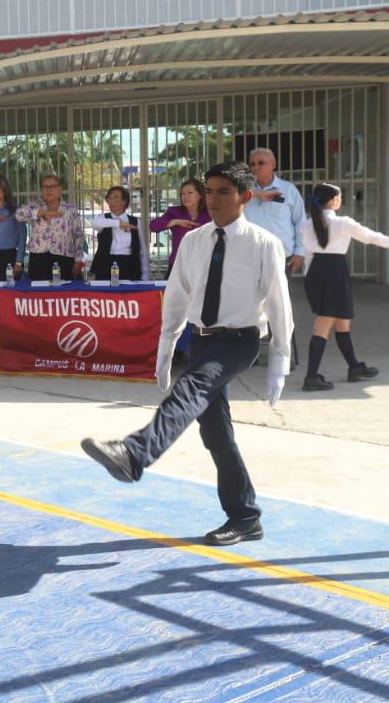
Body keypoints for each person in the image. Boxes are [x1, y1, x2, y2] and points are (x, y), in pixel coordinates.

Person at [81, 161, 292, 547]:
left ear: (245, 197)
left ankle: (135, 453)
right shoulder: (194, 241)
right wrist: (165, 347)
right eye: (209, 191)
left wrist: (280, 359)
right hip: (202, 339)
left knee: (192, 386)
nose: (212, 199)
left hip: (239, 340)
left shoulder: (264, 244)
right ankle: (245, 517)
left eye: (223, 192)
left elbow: (279, 305)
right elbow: (177, 297)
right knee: (216, 433)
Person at [299, 183, 389, 391]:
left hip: (316, 273)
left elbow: (308, 255)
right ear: (332, 201)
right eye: (339, 197)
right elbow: (372, 238)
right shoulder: (342, 223)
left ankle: (354, 367)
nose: (341, 200)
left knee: (342, 322)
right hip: (334, 274)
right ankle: (311, 377)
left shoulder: (307, 224)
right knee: (324, 324)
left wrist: (310, 280)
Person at [244, 147, 305, 369]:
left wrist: (300, 252)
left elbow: (301, 222)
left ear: (273, 164)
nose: (256, 167)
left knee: (279, 306)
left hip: (282, 258)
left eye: (261, 162)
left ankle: (283, 356)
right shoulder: (243, 193)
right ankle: (250, 356)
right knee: (250, 307)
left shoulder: (288, 191)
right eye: (252, 164)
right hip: (249, 258)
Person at [16, 174, 86, 281]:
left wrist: (78, 260)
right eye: (45, 187)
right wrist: (42, 212)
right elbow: (18, 215)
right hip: (38, 258)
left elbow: (79, 235)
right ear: (42, 190)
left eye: (53, 186)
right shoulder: (35, 206)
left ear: (59, 189)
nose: (49, 190)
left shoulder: (70, 209)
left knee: (62, 293)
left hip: (64, 257)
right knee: (39, 293)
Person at [150, 179, 211, 276]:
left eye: (190, 193)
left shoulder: (210, 213)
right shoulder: (174, 212)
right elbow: (153, 226)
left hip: (203, 265)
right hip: (178, 265)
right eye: (182, 193)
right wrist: (176, 221)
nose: (185, 196)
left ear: (200, 195)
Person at [90, 186, 151, 281]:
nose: (112, 201)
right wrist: (117, 224)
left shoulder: (135, 221)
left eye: (116, 197)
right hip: (106, 264)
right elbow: (94, 224)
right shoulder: (103, 218)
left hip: (129, 264)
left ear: (124, 201)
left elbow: (142, 249)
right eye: (109, 198)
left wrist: (145, 275)